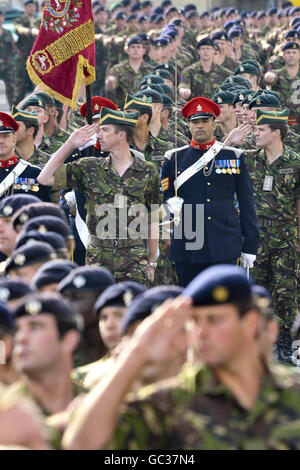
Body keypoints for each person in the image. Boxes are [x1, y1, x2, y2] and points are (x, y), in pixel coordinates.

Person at [62, 265, 300, 451]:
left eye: (214, 320)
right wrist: (136, 352)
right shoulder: (172, 402)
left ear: (250, 324)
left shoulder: (294, 392)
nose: (201, 333)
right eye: (194, 321)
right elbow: (81, 444)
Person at [37, 111, 160, 285]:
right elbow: (44, 178)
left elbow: (152, 217)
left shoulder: (148, 171)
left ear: (121, 135)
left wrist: (152, 261)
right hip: (98, 257)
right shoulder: (89, 167)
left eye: (105, 130)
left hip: (135, 258)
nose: (98, 135)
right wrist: (70, 144)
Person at [161, 97, 259, 287]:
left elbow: (247, 204)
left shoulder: (233, 156)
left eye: (204, 121)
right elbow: (164, 200)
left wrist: (250, 246)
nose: (200, 126)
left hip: (224, 242)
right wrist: (169, 208)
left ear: (214, 123)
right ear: (188, 125)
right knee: (190, 301)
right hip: (188, 243)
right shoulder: (173, 158)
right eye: (195, 122)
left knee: (225, 302)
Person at [244, 109, 300, 363]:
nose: (255, 133)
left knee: (286, 290)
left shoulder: (295, 162)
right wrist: (232, 139)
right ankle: (259, 341)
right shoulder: (249, 159)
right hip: (256, 236)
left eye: (260, 130)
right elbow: (217, 159)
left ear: (276, 132)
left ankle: (286, 341)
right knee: (257, 290)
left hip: (285, 235)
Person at [9, 292, 84, 448]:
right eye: (17, 330)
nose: (21, 337)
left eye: (35, 327)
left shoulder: (95, 402)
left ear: (69, 340)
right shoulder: (6, 411)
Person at [0, 113, 51, 202]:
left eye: (6, 136)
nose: (1, 141)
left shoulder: (34, 173)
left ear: (14, 139)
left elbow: (44, 209)